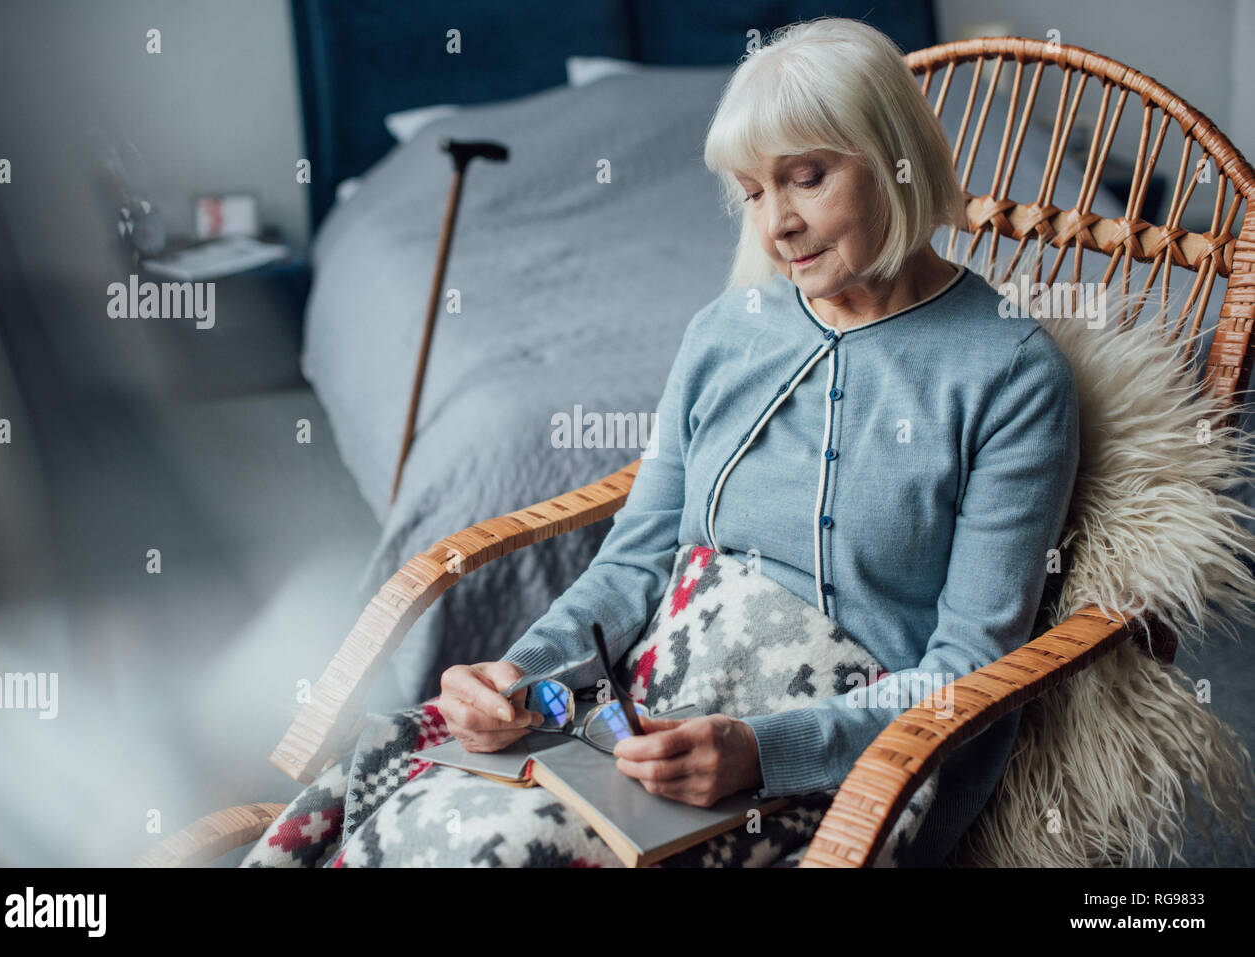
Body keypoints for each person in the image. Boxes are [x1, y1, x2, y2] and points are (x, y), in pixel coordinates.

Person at [434, 16, 1080, 867]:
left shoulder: (1011, 373)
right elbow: (633, 565)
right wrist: (521, 677)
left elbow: (968, 672)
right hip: (638, 722)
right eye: (753, 191)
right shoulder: (722, 334)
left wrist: (764, 751)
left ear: (896, 158)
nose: (776, 225)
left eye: (806, 179)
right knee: (422, 802)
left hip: (850, 772)